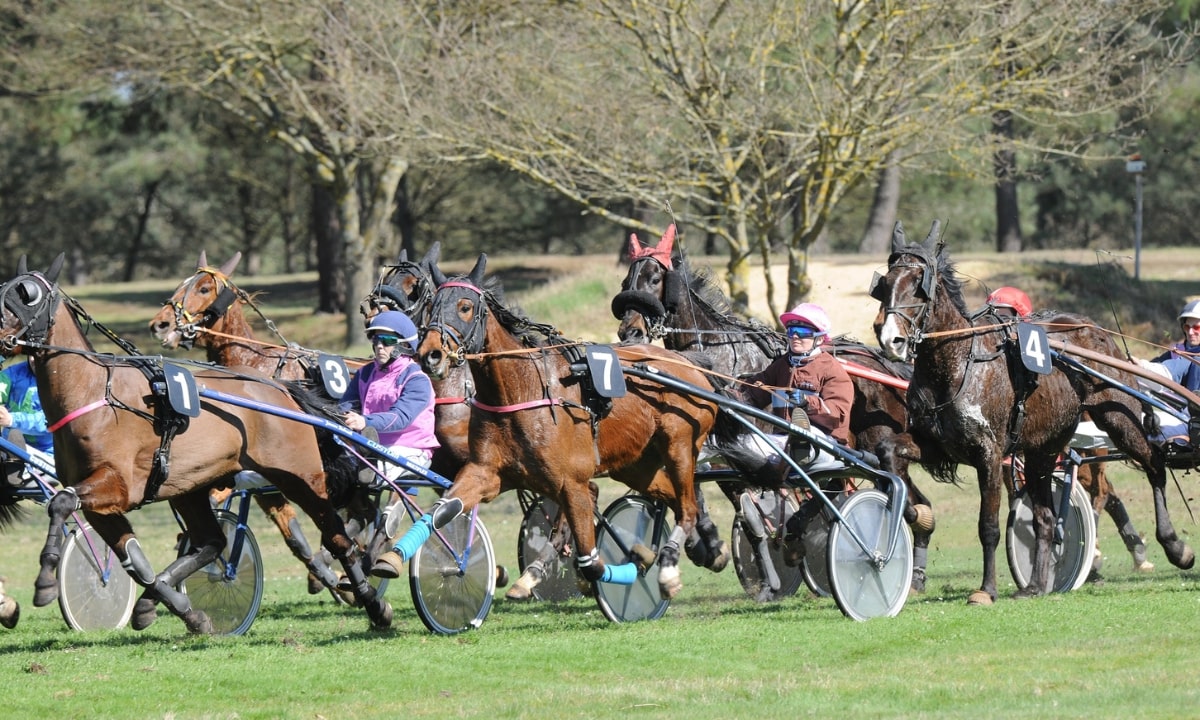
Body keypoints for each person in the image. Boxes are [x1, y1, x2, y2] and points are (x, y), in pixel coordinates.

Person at [740, 302, 854, 470]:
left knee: (805, 437)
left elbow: (837, 415)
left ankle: (799, 445)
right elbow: (752, 393)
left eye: (802, 333)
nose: (794, 337)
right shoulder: (781, 365)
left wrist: (807, 403)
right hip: (782, 442)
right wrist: (725, 394)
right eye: (791, 332)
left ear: (820, 338)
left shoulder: (832, 369)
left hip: (827, 445)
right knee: (737, 443)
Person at [338, 310, 440, 486]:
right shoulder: (365, 373)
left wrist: (365, 422)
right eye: (376, 340)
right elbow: (346, 406)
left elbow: (400, 418)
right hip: (368, 446)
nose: (379, 346)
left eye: (387, 341)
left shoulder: (417, 379)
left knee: (359, 473)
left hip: (411, 449)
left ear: (404, 346)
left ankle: (371, 469)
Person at [0, 358, 55, 485]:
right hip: (10, 446)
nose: (34, 359)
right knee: (12, 435)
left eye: (38, 354)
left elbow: (49, 421)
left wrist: (11, 419)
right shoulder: (14, 373)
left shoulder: (60, 379)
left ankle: (18, 467)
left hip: (48, 455)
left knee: (13, 431)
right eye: (31, 354)